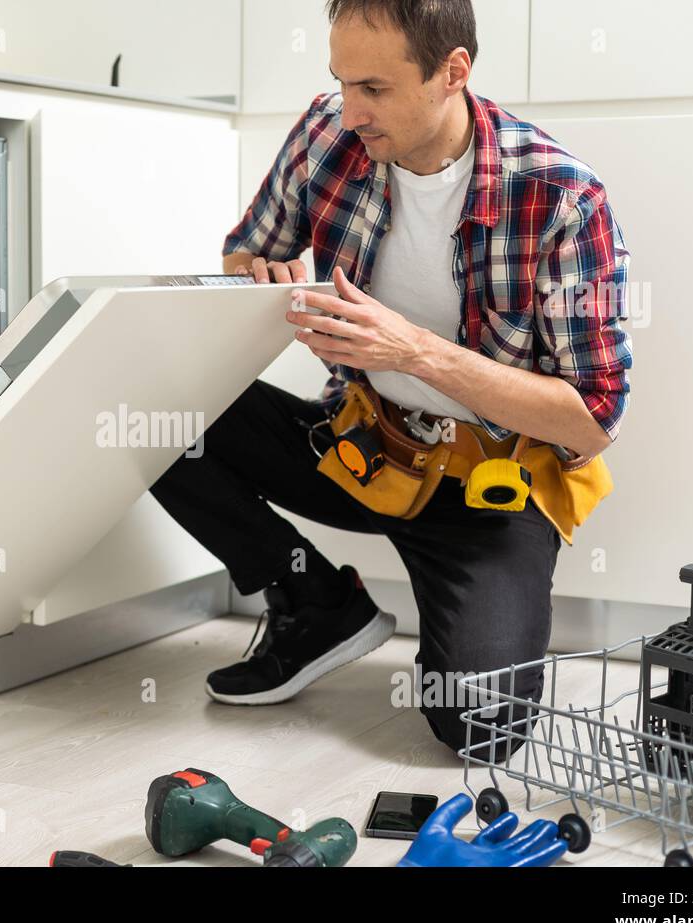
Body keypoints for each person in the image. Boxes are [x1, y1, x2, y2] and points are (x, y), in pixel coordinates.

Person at [149, 0, 632, 756]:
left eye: (373, 88)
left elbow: (591, 419)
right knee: (152, 410)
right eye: (340, 82)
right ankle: (315, 604)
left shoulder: (563, 197)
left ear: (453, 73)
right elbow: (246, 252)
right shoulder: (326, 132)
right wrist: (259, 274)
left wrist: (415, 351)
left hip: (489, 490)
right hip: (361, 448)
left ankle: (453, 641)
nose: (351, 110)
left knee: (480, 728)